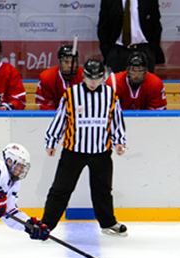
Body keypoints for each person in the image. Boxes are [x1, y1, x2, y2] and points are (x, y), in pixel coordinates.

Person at [42, 59, 128, 237]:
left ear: (102, 77)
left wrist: (119, 141)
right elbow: (60, 118)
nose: (93, 82)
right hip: (73, 152)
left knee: (103, 190)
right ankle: (46, 225)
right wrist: (52, 141)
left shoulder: (110, 94)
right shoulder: (71, 94)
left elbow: (116, 119)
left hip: (101, 152)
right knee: (60, 189)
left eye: (97, 78)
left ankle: (108, 223)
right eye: (90, 78)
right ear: (83, 77)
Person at [98, 0, 164, 74]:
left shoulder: (149, 1)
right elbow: (103, 27)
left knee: (145, 81)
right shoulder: (109, 1)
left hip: (144, 50)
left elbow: (156, 25)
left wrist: (152, 49)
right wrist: (108, 52)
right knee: (116, 81)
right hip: (117, 52)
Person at [35, 43, 83, 111]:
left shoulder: (84, 76)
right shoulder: (47, 78)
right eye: (66, 62)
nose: (70, 65)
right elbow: (45, 105)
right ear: (60, 62)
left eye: (73, 62)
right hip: (54, 115)